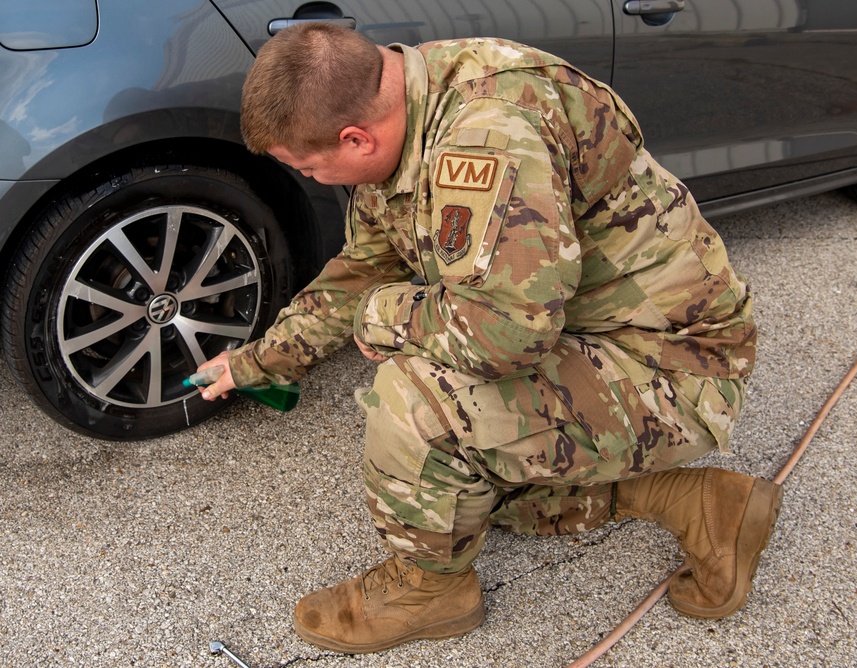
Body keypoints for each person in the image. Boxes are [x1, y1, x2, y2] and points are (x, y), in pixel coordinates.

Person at [197, 22, 782, 654]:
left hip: (674, 366)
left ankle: (431, 591)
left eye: (308, 166)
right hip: (593, 338)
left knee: (417, 403)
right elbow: (363, 269)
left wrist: (386, 317)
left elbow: (507, 334)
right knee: (458, 502)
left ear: (356, 137)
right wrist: (258, 363)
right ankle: (699, 502)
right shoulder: (405, 97)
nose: (312, 179)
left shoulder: (487, 138)